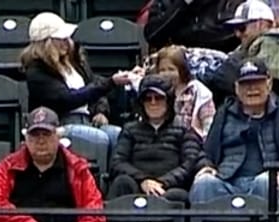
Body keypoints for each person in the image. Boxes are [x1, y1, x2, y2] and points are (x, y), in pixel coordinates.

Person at [191, 59, 279, 206]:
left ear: (269, 83)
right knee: (203, 184)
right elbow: (206, 153)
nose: (251, 89)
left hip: (265, 183)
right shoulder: (223, 114)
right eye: (245, 84)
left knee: (266, 183)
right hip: (225, 181)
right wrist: (206, 166)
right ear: (236, 88)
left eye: (257, 83)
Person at [21, 12, 136, 153]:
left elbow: (94, 84)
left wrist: (100, 111)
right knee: (100, 139)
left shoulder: (75, 62)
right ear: (46, 43)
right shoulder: (37, 71)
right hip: (60, 125)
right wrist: (111, 82)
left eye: (67, 37)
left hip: (87, 119)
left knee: (118, 135)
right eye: (61, 39)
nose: (67, 42)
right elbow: (67, 99)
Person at [106, 75, 204, 203]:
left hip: (169, 188)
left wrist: (162, 183)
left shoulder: (184, 130)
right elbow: (117, 162)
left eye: (159, 98)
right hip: (137, 186)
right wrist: (143, 180)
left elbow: (189, 164)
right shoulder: (130, 130)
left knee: (177, 196)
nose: (153, 102)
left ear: (168, 101)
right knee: (123, 182)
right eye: (148, 99)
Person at [152, 45, 216, 139]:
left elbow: (209, 127)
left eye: (171, 69)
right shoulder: (155, 92)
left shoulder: (199, 91)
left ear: (181, 69)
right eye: (162, 70)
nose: (166, 74)